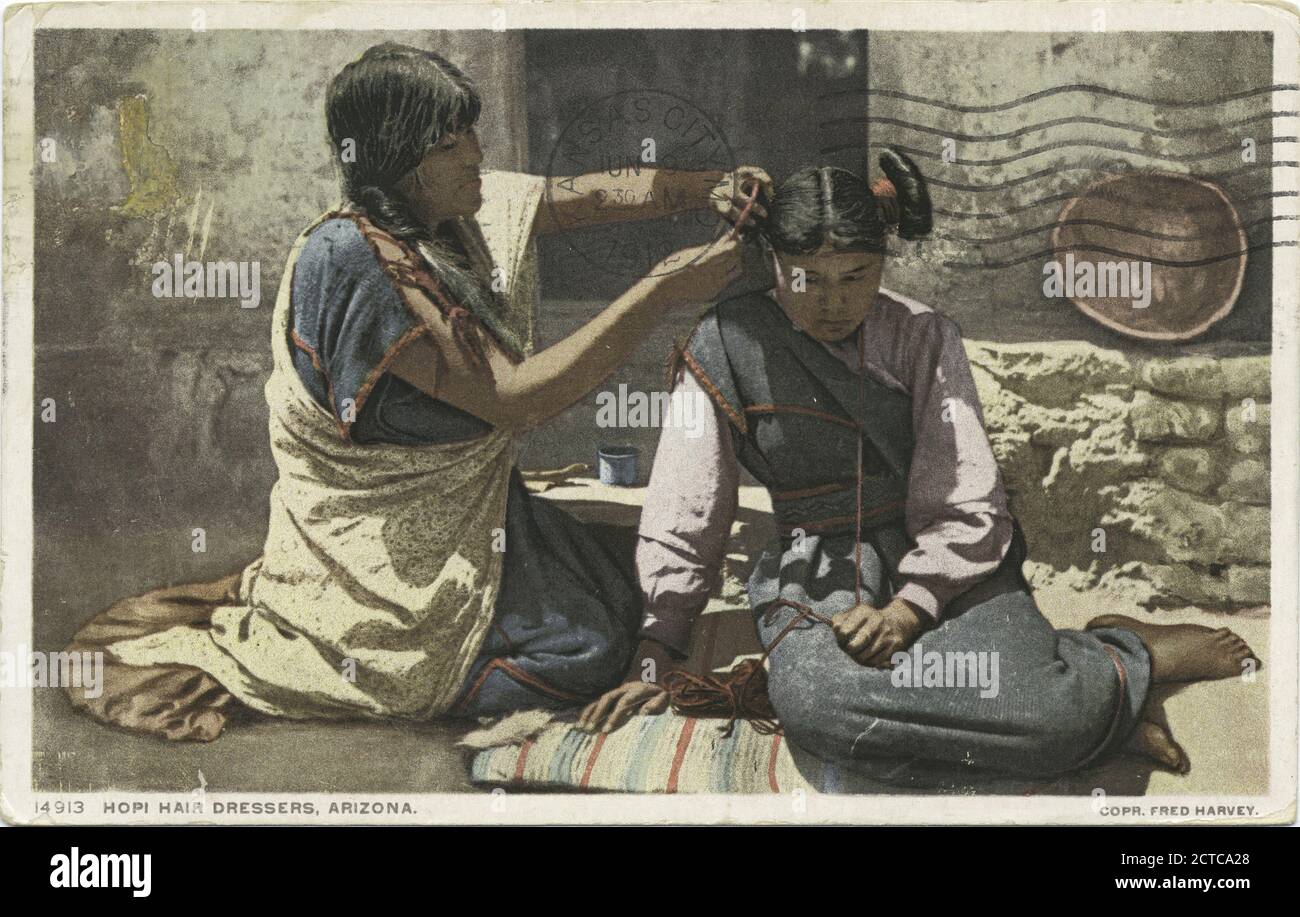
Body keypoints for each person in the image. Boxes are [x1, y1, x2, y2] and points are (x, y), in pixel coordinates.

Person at [63, 43, 772, 740]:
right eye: (448, 141)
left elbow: (579, 200)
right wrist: (662, 291)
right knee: (585, 652)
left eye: (470, 131)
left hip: (462, 513)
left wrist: (703, 185)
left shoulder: (439, 223)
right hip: (386, 558)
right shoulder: (352, 262)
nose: (473, 153)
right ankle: (401, 670)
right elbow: (516, 398)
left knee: (619, 593)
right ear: (399, 160)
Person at [578, 151, 1259, 782]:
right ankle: (1088, 703)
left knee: (1053, 714)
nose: (833, 301)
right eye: (807, 278)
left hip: (947, 563)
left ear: (882, 263)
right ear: (772, 259)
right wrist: (659, 645)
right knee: (821, 704)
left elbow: (967, 496)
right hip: (820, 570)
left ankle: (1119, 655)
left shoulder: (921, 335)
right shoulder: (725, 343)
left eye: (857, 277)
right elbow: (686, 506)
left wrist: (909, 611)